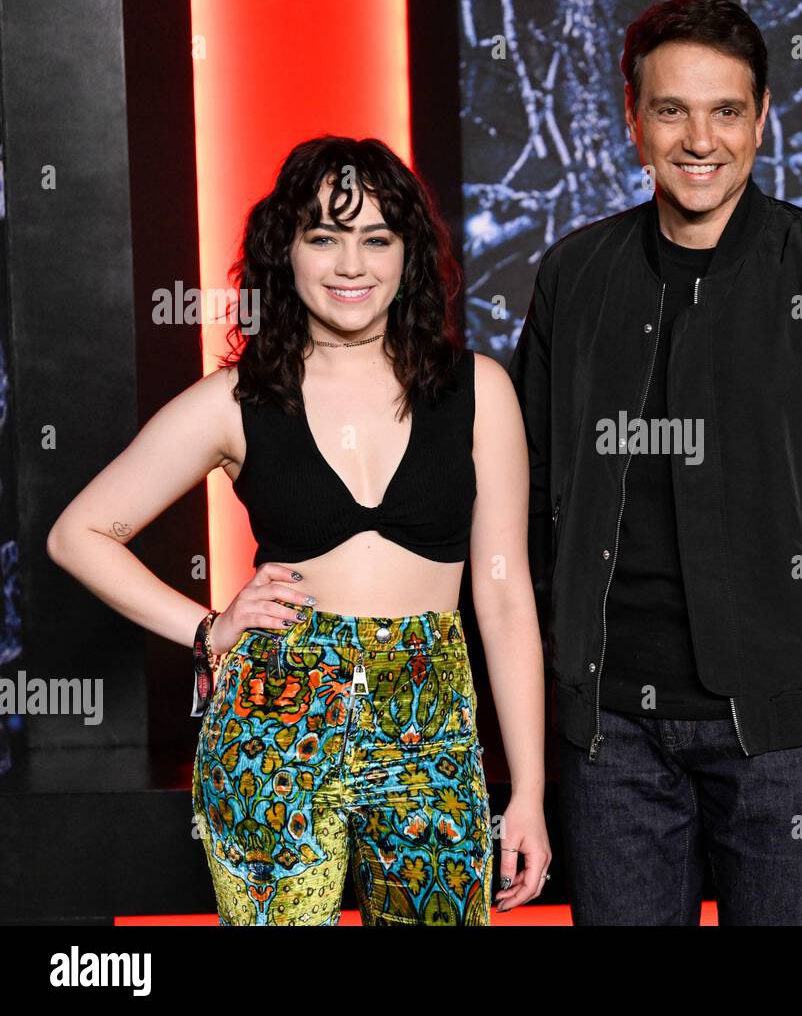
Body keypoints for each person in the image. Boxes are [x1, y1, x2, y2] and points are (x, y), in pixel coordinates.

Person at [46, 136, 550, 925]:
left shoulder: (478, 391)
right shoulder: (234, 401)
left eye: (376, 238)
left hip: (431, 732)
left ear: (408, 253)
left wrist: (528, 792)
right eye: (324, 237)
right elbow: (79, 533)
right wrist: (209, 629)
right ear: (286, 250)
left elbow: (507, 599)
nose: (351, 264)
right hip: (275, 727)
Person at [508, 0, 802, 926]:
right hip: (607, 737)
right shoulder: (576, 277)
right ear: (632, 120)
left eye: (726, 111)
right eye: (671, 110)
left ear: (762, 118)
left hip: (790, 738)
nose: (700, 138)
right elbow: (522, 502)